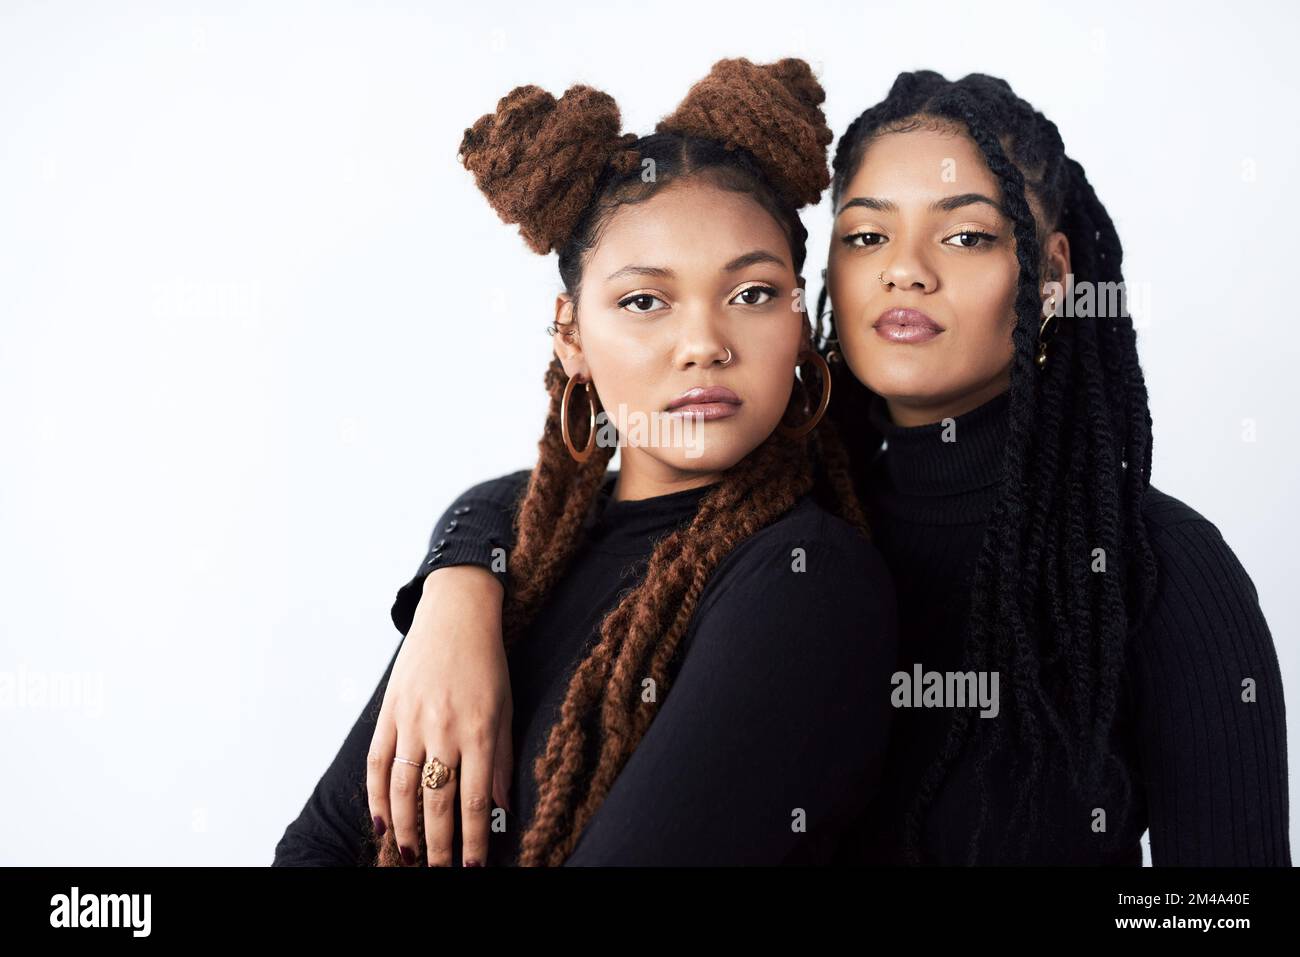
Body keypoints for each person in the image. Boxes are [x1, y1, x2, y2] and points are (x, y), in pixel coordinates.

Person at [377, 69, 1290, 866]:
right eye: (865, 237)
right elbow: (587, 498)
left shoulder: (1157, 565)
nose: (906, 272)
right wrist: (456, 584)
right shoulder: (767, 508)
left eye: (965, 236)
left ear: (1053, 276)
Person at [273, 58, 899, 867]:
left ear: (795, 313)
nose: (705, 343)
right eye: (645, 301)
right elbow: (317, 849)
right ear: (570, 335)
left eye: (751, 293)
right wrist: (457, 579)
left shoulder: (806, 579)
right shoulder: (515, 556)